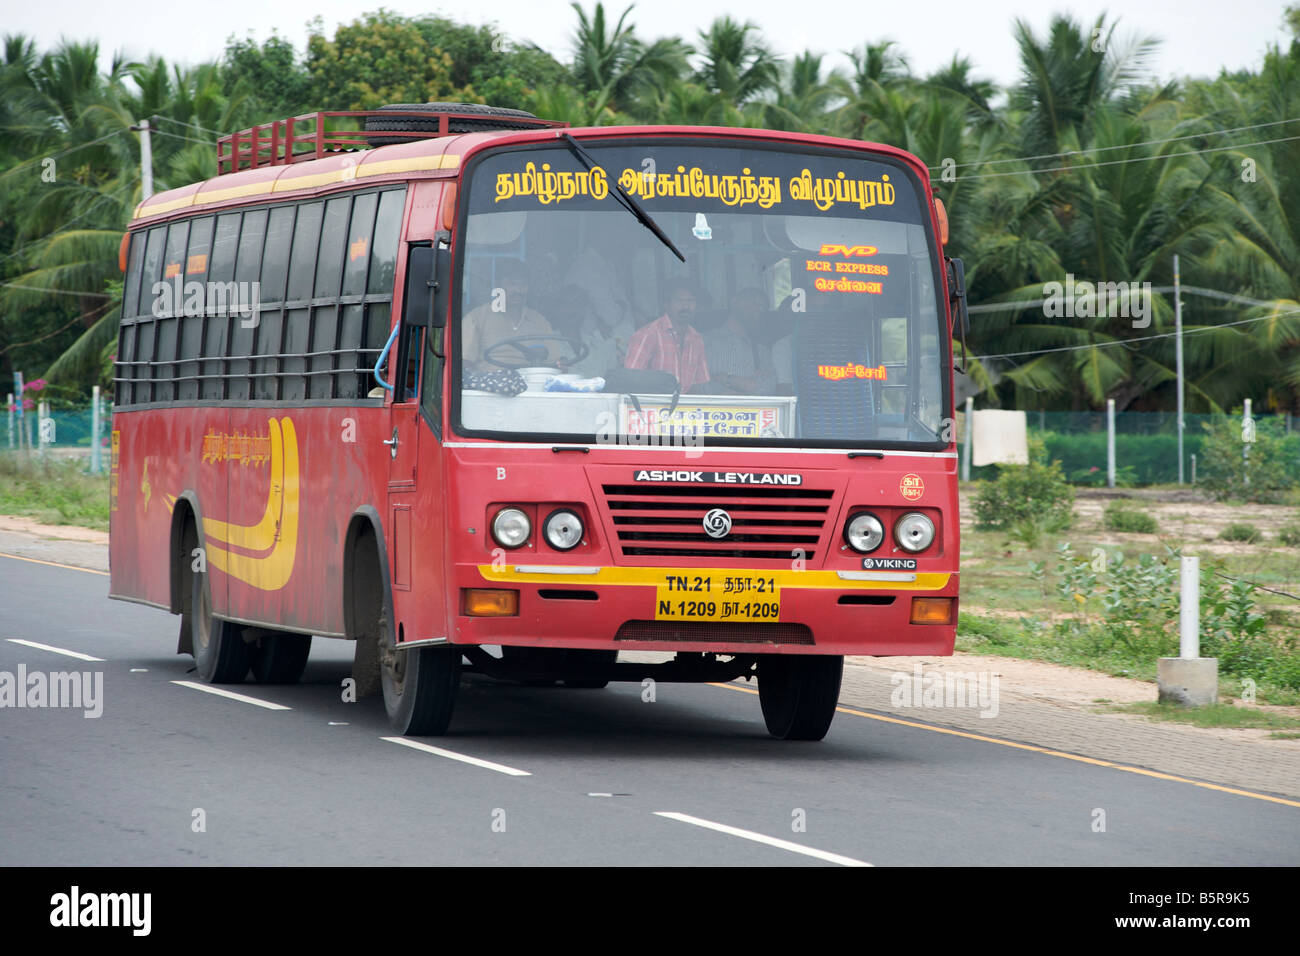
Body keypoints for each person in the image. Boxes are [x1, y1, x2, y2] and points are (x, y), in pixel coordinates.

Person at [460, 259, 558, 371]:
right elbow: (465, 364)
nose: (518, 290)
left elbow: (555, 362)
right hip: (490, 385)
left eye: (523, 284)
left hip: (532, 385)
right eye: (511, 284)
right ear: (498, 285)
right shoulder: (476, 318)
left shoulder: (539, 321)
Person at [623, 280, 709, 391]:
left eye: (690, 301)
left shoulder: (696, 339)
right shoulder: (648, 334)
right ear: (666, 304)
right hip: (653, 406)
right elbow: (631, 381)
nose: (686, 306)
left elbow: (701, 385)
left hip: (687, 407)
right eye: (679, 301)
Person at [703, 287, 776, 394]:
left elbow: (769, 389)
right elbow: (694, 384)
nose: (756, 307)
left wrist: (724, 379)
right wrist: (738, 386)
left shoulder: (762, 352)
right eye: (752, 301)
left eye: (761, 306)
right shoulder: (704, 340)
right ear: (734, 301)